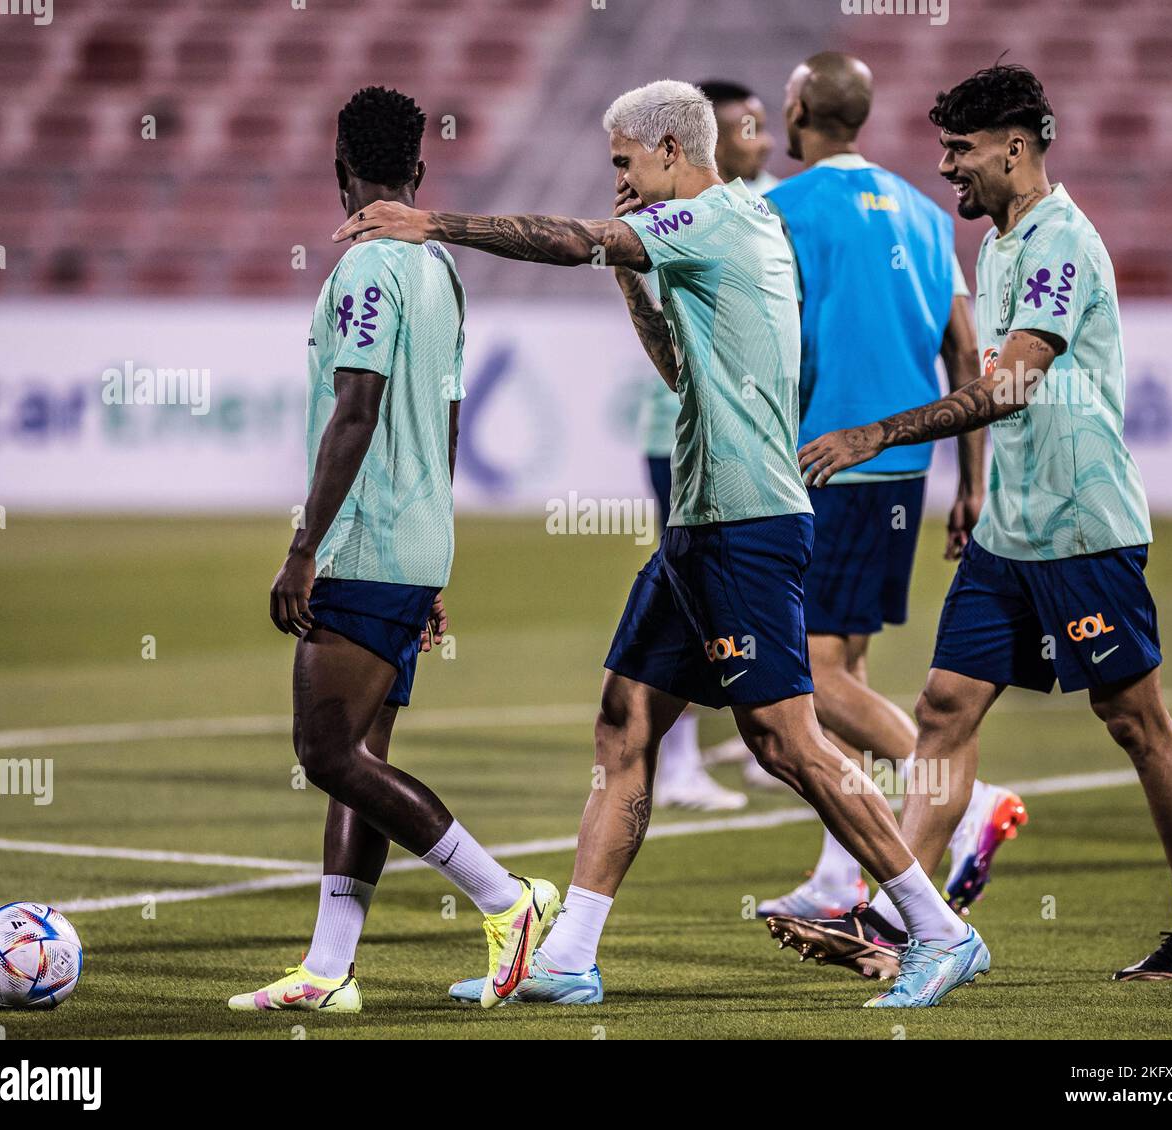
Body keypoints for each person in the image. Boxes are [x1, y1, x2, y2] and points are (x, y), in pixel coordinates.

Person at [335, 78, 990, 1009]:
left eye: (624, 161)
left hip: (744, 520)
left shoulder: (720, 217)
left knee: (785, 740)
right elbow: (679, 368)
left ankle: (939, 930)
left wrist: (431, 223)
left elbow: (572, 240)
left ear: (671, 151)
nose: (621, 178)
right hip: (700, 521)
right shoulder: (710, 235)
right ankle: (569, 956)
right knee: (626, 721)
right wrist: (633, 274)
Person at [790, 64, 1172, 984]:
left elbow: (1008, 384)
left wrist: (881, 430)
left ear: (1016, 146)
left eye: (961, 149)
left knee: (1134, 719)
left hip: (1081, 526)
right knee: (943, 708)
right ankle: (897, 915)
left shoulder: (1060, 241)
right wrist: (980, 489)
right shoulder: (996, 243)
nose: (948, 166)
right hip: (1010, 534)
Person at [228, 87, 559, 1014]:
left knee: (327, 753)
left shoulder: (368, 269)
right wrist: (437, 548)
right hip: (414, 541)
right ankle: (328, 972)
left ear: (340, 171)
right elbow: (448, 415)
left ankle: (509, 897)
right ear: (418, 172)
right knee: (363, 753)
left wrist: (304, 547)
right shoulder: (440, 268)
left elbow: (358, 408)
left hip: (366, 543)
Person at [757, 52, 1026, 933]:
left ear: (799, 110)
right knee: (854, 669)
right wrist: (973, 479)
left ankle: (967, 794)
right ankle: (846, 870)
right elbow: (965, 350)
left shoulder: (780, 209)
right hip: (905, 470)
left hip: (827, 460)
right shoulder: (921, 209)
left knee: (809, 677)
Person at [646, 78, 775, 813]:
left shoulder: (763, 207)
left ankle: (776, 734)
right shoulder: (686, 217)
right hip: (690, 440)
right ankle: (686, 757)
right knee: (696, 602)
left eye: (760, 124)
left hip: (754, 443)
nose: (758, 137)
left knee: (732, 602)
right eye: (743, 127)